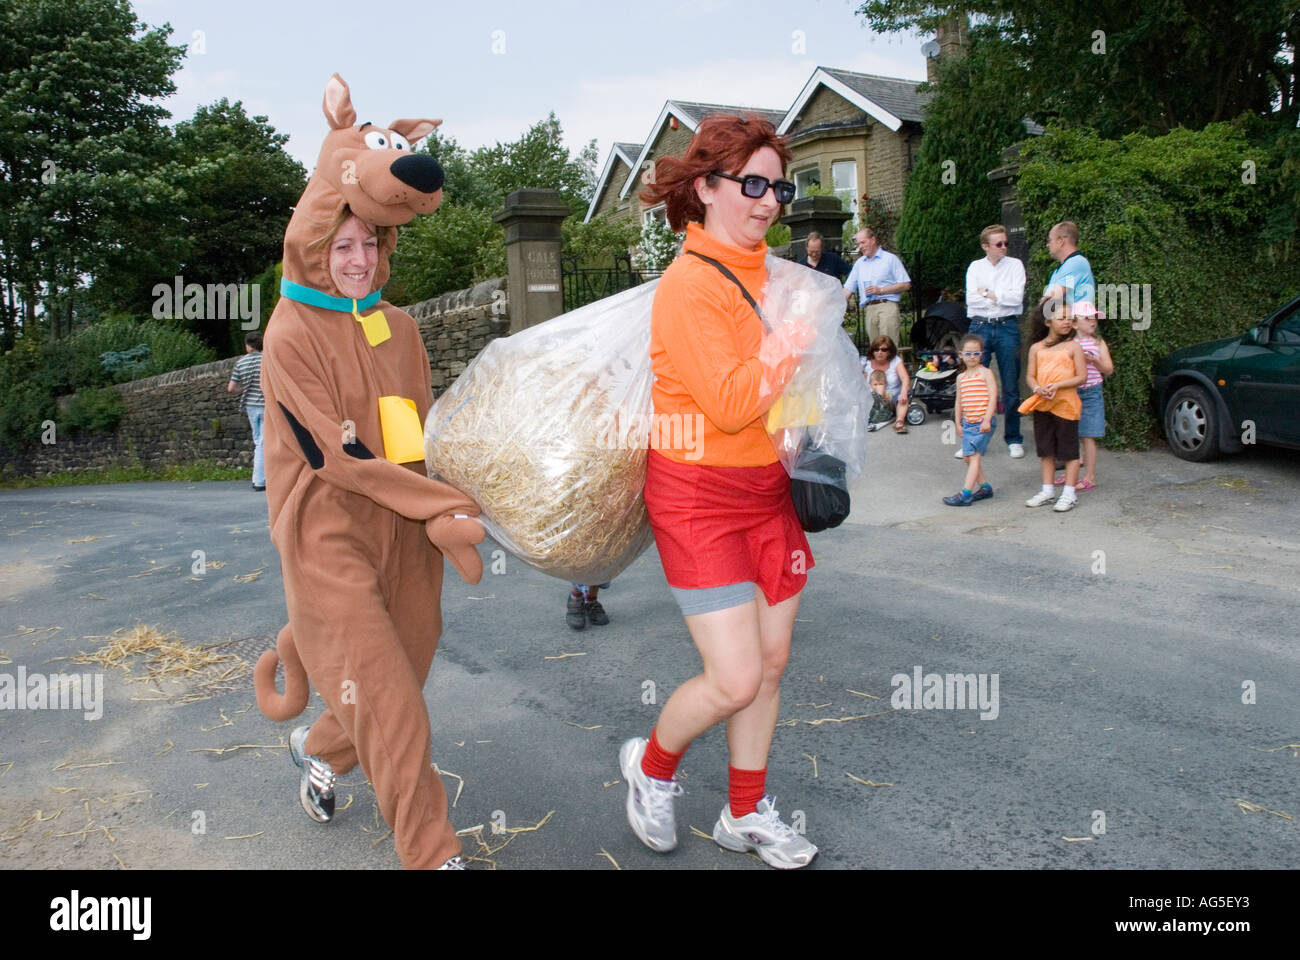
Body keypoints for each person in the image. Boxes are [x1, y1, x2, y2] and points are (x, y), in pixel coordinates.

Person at [253, 75, 485, 871]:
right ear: (317, 245)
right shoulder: (288, 335)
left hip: (404, 529)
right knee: (389, 701)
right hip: (324, 532)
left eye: (370, 245)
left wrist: (455, 499)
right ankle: (432, 854)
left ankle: (320, 749)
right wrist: (443, 504)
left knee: (400, 672)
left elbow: (416, 434)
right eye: (341, 246)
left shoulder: (403, 328)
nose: (358, 260)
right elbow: (337, 457)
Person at [621, 113, 818, 870]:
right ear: (706, 188)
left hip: (768, 493)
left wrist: (801, 422)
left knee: (769, 667)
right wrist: (797, 334)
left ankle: (744, 813)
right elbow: (735, 400)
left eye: (779, 186)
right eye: (752, 184)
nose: (769, 200)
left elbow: (791, 393)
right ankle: (652, 767)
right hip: (698, 496)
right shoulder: (688, 286)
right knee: (733, 677)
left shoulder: (778, 279)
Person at [965, 224, 1026, 459]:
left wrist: (990, 294)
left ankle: (1013, 437)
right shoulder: (975, 267)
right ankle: (974, 439)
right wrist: (998, 297)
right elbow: (971, 300)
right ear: (986, 246)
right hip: (980, 325)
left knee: (1011, 385)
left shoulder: (1015, 265)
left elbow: (1016, 298)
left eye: (1005, 243)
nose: (1004, 247)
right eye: (998, 244)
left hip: (1007, 326)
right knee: (975, 383)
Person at [1019, 299, 1087, 512]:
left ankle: (1069, 493)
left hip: (1066, 406)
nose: (1067, 322)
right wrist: (1038, 388)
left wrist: (1057, 385)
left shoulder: (1073, 346)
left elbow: (1082, 377)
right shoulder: (1036, 348)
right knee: (1046, 450)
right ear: (1048, 321)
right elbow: (1030, 377)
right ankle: (1047, 490)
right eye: (1061, 317)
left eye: (1070, 318)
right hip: (1043, 405)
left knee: (1069, 451)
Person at [1056, 311, 1114, 491]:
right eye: (1087, 318)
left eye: (1094, 318)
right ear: (1074, 324)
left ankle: (1089, 477)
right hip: (1072, 391)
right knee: (1069, 433)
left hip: (1091, 392)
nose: (1093, 322)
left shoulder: (1098, 343)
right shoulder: (1068, 344)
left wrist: (1095, 361)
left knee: (1088, 435)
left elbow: (1109, 369)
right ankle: (1070, 472)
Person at [943, 334, 997, 506]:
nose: (972, 357)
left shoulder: (986, 373)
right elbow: (959, 401)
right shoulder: (961, 378)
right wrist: (958, 423)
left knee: (974, 457)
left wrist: (987, 419)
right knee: (968, 458)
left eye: (976, 353)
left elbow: (993, 396)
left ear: (981, 354)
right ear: (960, 355)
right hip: (968, 422)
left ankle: (965, 493)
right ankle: (985, 488)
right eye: (968, 353)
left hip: (982, 422)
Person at [843, 227, 910, 346]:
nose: (861, 247)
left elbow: (905, 284)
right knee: (875, 351)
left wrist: (881, 290)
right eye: (859, 244)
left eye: (863, 242)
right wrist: (832, 305)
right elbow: (848, 290)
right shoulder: (859, 264)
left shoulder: (890, 259)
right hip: (869, 309)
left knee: (887, 348)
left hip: (887, 306)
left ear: (873, 240)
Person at [227, 330, 267, 491]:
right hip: (266, 404)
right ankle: (260, 480)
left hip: (250, 406)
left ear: (247, 346)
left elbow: (232, 388)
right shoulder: (267, 360)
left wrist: (245, 389)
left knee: (258, 440)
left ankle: (258, 478)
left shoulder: (240, 363)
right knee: (265, 442)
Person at [1040, 221, 1096, 316]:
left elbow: (1052, 301)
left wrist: (1047, 300)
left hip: (1077, 327)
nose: (1047, 245)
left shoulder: (1076, 263)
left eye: (1049, 240)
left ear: (1060, 241)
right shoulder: (1063, 268)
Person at [863, 335, 911, 433]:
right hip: (872, 397)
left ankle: (899, 422)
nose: (879, 352)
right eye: (876, 349)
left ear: (889, 351)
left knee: (902, 399)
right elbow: (861, 381)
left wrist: (903, 393)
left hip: (892, 397)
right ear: (872, 351)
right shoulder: (867, 362)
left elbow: (905, 378)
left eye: (884, 349)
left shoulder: (896, 361)